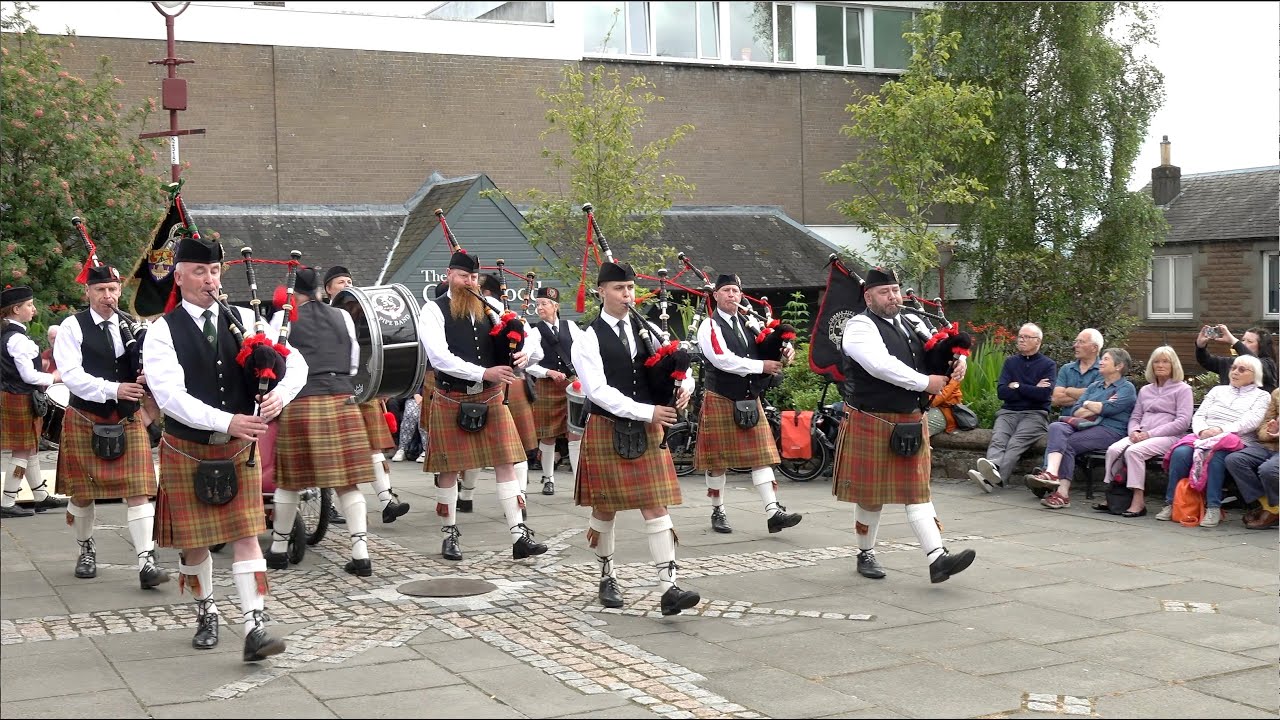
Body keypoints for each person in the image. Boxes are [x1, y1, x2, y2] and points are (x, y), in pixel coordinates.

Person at [143, 235, 306, 661]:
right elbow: (170, 396)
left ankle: (255, 626)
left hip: (236, 452)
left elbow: (297, 362)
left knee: (246, 536)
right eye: (199, 271)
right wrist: (228, 420)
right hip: (189, 448)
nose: (209, 279)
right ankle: (206, 610)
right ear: (179, 277)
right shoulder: (163, 330)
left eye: (214, 271)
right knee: (194, 544)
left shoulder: (243, 320)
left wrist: (280, 396)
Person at [571, 260, 700, 614]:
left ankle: (669, 586)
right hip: (608, 425)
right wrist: (649, 412)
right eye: (618, 288)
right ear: (601, 292)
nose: (626, 295)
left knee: (655, 502)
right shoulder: (588, 337)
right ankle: (607, 574)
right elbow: (596, 391)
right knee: (605, 506)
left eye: (629, 288)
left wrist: (684, 387)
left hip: (646, 428)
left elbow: (676, 365)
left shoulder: (648, 331)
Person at [834, 267, 975, 583]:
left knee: (918, 492)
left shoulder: (912, 321)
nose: (893, 296)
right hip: (872, 419)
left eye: (896, 290)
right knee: (871, 497)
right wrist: (925, 382)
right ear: (868, 296)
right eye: (885, 292)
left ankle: (937, 558)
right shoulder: (859, 327)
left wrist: (958, 359)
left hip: (912, 418)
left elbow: (939, 347)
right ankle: (865, 552)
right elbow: (880, 366)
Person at [418, 249, 546, 562]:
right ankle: (449, 533)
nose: (469, 282)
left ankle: (518, 536)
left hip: (490, 398)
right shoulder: (433, 311)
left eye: (474, 277)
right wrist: (484, 371)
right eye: (463, 276)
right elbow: (439, 357)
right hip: (451, 396)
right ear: (448, 275)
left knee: (506, 464)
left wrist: (524, 354)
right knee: (448, 469)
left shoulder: (492, 307)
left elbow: (530, 337)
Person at [54, 265, 169, 589]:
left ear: (121, 291)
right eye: (101, 290)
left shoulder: (130, 325)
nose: (108, 296)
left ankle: (146, 560)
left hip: (127, 417)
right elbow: (71, 375)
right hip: (86, 416)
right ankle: (85, 547)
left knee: (139, 490)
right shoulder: (71, 327)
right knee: (82, 495)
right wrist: (113, 389)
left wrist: (148, 378)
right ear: (88, 292)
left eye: (113, 290)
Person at [266, 267, 375, 576]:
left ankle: (277, 551)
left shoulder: (282, 320)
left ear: (294, 294)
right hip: (341, 399)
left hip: (301, 401)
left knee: (290, 480)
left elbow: (274, 362)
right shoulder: (342, 316)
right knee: (347, 482)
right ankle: (361, 554)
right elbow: (354, 362)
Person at [695, 273, 802, 534]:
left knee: (761, 457)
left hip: (749, 398)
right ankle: (718, 510)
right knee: (717, 461)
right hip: (721, 396)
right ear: (716, 295)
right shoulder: (709, 327)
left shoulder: (751, 322)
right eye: (727, 290)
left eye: (735, 291)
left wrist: (784, 350)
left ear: (741, 295)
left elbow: (767, 345)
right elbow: (722, 359)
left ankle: (773, 511)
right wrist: (760, 366)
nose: (732, 295)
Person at [324, 265, 410, 525]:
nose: (347, 284)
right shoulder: (323, 315)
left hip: (364, 387)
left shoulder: (365, 315)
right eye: (341, 281)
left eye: (349, 280)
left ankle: (386, 502)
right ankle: (326, 506)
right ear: (329, 288)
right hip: (334, 388)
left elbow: (376, 350)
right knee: (332, 451)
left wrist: (380, 384)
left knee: (373, 445)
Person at [1156, 355, 1271, 527]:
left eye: (1242, 369)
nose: (1235, 372)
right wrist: (1202, 430)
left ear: (1255, 375)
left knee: (1217, 456)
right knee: (1180, 453)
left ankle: (1213, 507)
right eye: (1233, 368)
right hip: (1205, 437)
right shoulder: (1218, 391)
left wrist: (1220, 431)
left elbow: (1250, 422)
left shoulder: (1261, 396)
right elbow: (1200, 414)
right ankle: (1171, 503)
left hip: (1235, 439)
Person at [1026, 348, 1136, 509]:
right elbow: (1075, 410)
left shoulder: (1126, 388)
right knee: (1057, 427)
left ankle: (1061, 494)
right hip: (1085, 427)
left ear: (1119, 366)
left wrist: (1090, 405)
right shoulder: (1094, 386)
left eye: (1105, 359)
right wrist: (1096, 406)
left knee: (1068, 443)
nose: (1101, 362)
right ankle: (1051, 472)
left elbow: (1108, 409)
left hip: (1110, 431)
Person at [1098, 346, 1193, 516]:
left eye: (1165, 361)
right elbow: (1135, 416)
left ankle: (1138, 500)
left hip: (1168, 436)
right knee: (1113, 450)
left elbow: (1183, 422)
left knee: (1134, 452)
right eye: (1156, 361)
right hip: (1141, 434)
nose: (1160, 365)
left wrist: (1149, 434)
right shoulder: (1145, 390)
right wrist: (1133, 431)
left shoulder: (1182, 389)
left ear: (1174, 365)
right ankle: (1113, 495)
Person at [478, 272, 543, 506]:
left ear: (485, 292)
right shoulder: (509, 314)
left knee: (474, 449)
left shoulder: (477, 310)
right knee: (519, 446)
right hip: (514, 383)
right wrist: (524, 358)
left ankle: (465, 495)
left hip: (482, 385)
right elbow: (536, 353)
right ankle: (521, 497)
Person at [968, 323, 1056, 492]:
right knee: (998, 438)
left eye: (1026, 337)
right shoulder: (1011, 363)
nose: (1021, 340)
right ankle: (992, 468)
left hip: (1035, 414)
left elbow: (1043, 395)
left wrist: (1017, 386)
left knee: (1015, 444)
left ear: (1037, 341)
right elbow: (1002, 392)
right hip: (1008, 411)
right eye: (1020, 336)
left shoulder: (1048, 365)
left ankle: (993, 480)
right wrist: (1032, 388)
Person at [1, 285, 63, 518]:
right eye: (29, 305)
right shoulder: (16, 339)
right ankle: (7, 502)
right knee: (21, 453)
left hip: (14, 395)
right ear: (16, 309)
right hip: (19, 397)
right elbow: (28, 376)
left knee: (30, 450)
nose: (33, 309)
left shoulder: (8, 334)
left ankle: (39, 496)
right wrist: (54, 377)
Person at [525, 286, 583, 496]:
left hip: (571, 385)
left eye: (544, 304)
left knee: (575, 433)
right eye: (537, 304)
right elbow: (528, 364)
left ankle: (578, 481)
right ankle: (548, 478)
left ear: (555, 306)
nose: (539, 308)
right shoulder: (534, 332)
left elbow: (584, 352)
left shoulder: (572, 327)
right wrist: (548, 372)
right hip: (547, 386)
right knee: (548, 435)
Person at [1225, 388, 1279, 529]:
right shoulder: (1277, 393)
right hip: (1269, 446)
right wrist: (1269, 431)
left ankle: (1273, 509)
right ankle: (1270, 506)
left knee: (1268, 469)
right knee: (1235, 460)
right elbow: (1265, 422)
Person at [1196, 324, 1277, 393]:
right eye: (1243, 340)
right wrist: (1200, 346)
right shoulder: (1232, 362)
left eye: (1249, 341)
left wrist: (1233, 341)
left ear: (1261, 346)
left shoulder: (1268, 364)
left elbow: (1256, 364)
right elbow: (1206, 361)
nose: (1243, 344)